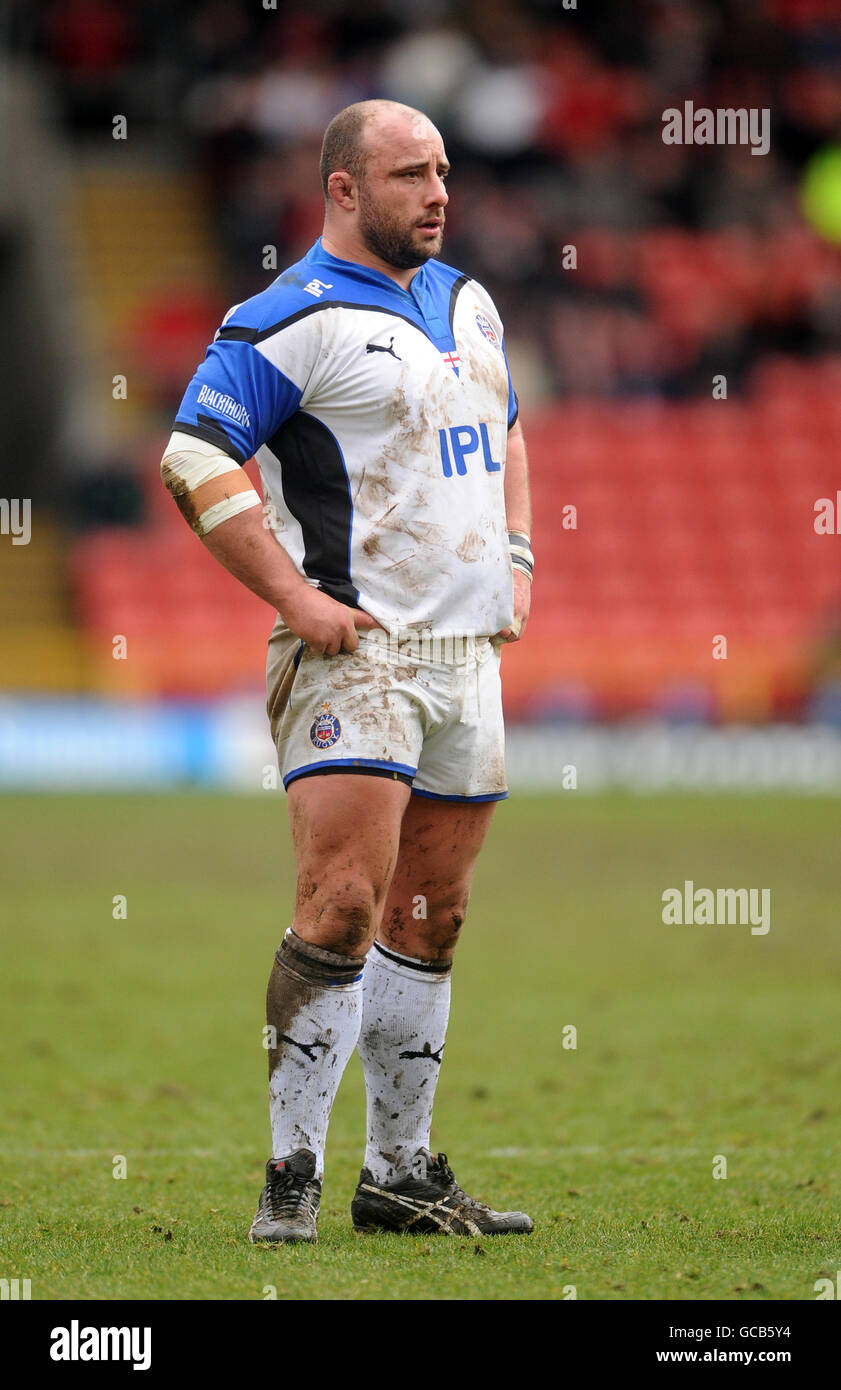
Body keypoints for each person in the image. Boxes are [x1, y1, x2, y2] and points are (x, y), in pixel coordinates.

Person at [161, 99, 535, 1242]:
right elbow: (193, 454)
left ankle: (400, 1174)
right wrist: (293, 597)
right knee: (340, 905)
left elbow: (508, 427)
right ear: (342, 189)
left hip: (463, 653)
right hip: (355, 655)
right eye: (410, 175)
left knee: (433, 914)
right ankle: (291, 1177)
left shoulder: (468, 300)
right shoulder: (290, 316)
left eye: (442, 171)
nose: (437, 192)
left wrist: (517, 555)